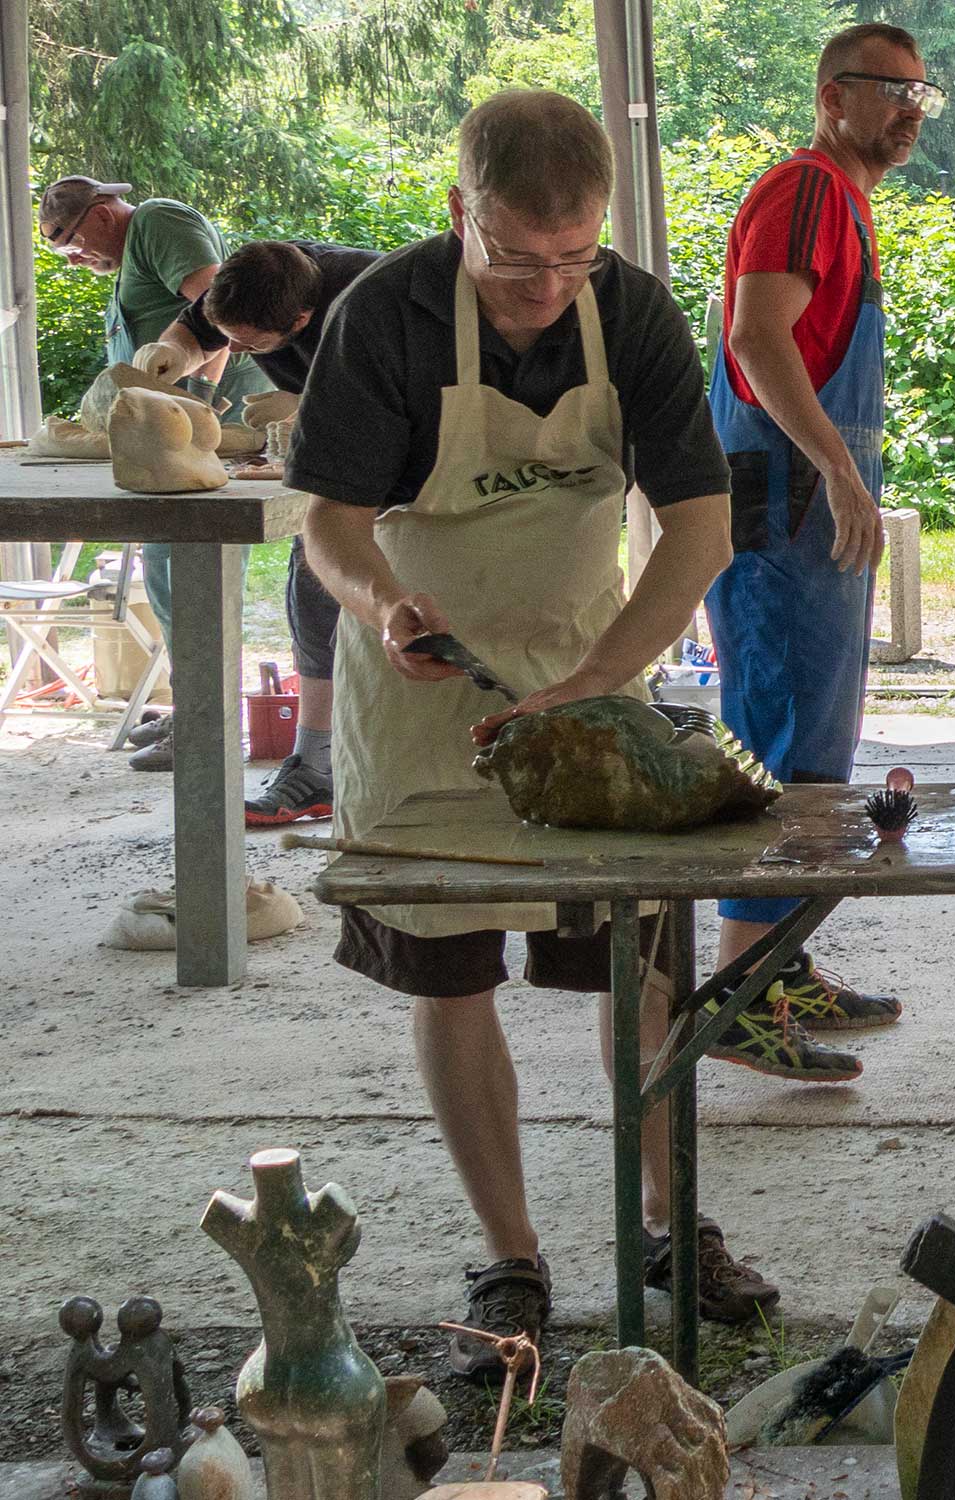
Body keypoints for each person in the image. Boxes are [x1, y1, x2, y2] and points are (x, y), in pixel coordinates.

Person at [292, 90, 787, 1377]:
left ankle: (674, 1223)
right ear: (460, 215)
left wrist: (605, 678)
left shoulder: (634, 311)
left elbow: (697, 526)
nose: (547, 289)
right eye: (517, 260)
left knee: (641, 971)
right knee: (452, 975)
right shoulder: (382, 318)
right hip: (418, 690)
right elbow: (331, 523)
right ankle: (510, 1260)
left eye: (576, 259)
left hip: (586, 670)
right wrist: (382, 599)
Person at [698, 23, 940, 1072]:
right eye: (889, 90)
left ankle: (781, 967)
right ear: (831, 96)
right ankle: (741, 1001)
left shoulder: (843, 203)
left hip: (809, 510)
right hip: (785, 506)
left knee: (816, 751)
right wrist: (840, 470)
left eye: (921, 95)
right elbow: (757, 340)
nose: (908, 111)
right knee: (780, 750)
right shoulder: (802, 189)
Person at [139, 239, 385, 825]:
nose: (237, 350)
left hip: (413, 459)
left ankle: (357, 761)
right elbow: (197, 329)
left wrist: (309, 403)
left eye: (249, 344)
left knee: (366, 592)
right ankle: (317, 762)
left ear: (300, 321)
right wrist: (170, 353)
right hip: (331, 452)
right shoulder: (250, 281)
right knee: (311, 589)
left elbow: (414, 400)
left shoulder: (373, 299)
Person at [37, 175, 274, 771]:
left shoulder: (157, 222)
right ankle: (194, 707)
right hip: (172, 439)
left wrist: (199, 402)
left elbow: (218, 309)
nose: (73, 255)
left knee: (185, 573)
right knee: (170, 575)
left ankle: (206, 723)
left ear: (100, 212)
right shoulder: (134, 249)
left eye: (68, 239)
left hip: (201, 436)